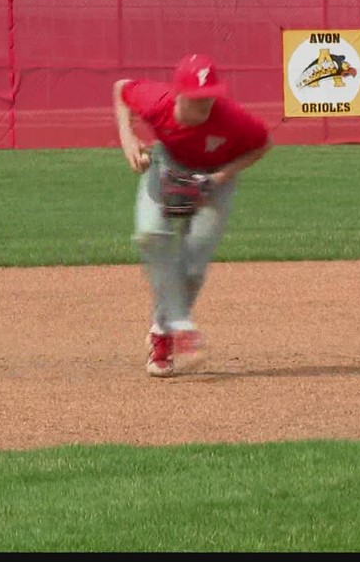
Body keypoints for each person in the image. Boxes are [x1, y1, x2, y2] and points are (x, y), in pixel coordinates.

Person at [112, 54, 273, 377]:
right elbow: (121, 89)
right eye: (198, 99)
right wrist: (128, 138)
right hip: (169, 165)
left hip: (214, 179)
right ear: (180, 93)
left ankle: (163, 330)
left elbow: (261, 144)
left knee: (193, 265)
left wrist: (219, 179)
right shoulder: (157, 102)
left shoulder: (232, 118)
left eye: (209, 97)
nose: (205, 105)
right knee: (150, 235)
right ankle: (178, 324)